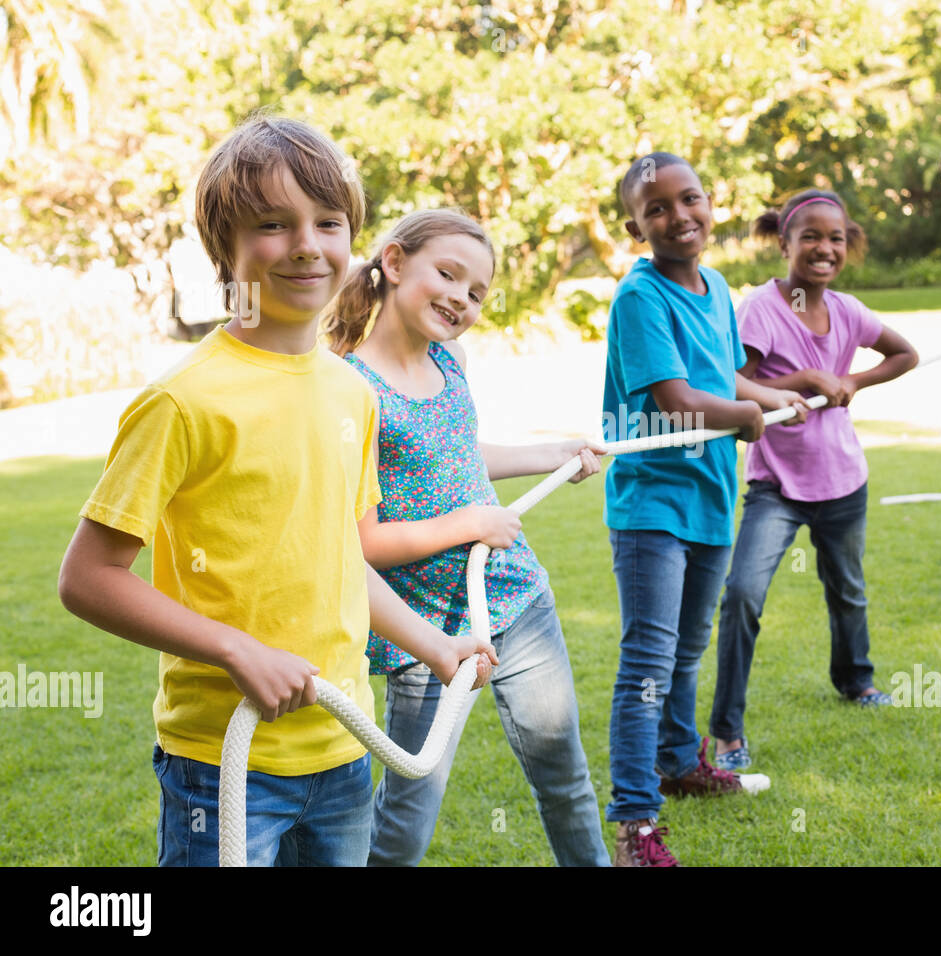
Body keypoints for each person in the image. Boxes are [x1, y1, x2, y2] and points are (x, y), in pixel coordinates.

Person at [56, 115, 495, 867]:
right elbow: (87, 579)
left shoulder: (351, 392)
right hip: (223, 761)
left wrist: (436, 647)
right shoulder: (184, 400)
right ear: (223, 250)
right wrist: (237, 651)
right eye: (272, 224)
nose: (306, 244)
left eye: (328, 222)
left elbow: (341, 560)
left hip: (342, 744)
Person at [322, 209, 610, 866]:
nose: (461, 298)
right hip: (424, 633)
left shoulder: (450, 361)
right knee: (405, 820)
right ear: (394, 264)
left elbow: (458, 455)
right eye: (447, 275)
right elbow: (357, 542)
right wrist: (469, 525)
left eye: (477, 292)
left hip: (516, 602)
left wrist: (553, 454)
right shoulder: (350, 391)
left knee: (565, 782)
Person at [602, 152, 807, 866]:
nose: (677, 216)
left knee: (688, 652)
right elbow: (677, 401)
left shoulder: (718, 287)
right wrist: (747, 412)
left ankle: (679, 764)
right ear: (636, 224)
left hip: (713, 494)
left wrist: (778, 395)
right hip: (653, 502)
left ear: (710, 201)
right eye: (656, 208)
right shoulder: (640, 297)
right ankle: (634, 824)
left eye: (688, 199)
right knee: (649, 660)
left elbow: (725, 380)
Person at [708, 189, 918, 773]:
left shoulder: (849, 311)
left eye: (836, 238)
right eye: (811, 238)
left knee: (847, 590)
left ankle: (856, 680)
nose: (825, 249)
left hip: (843, 480)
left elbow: (905, 355)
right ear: (785, 244)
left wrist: (854, 380)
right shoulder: (760, 308)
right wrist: (801, 378)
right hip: (776, 485)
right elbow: (730, 383)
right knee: (744, 594)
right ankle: (727, 732)